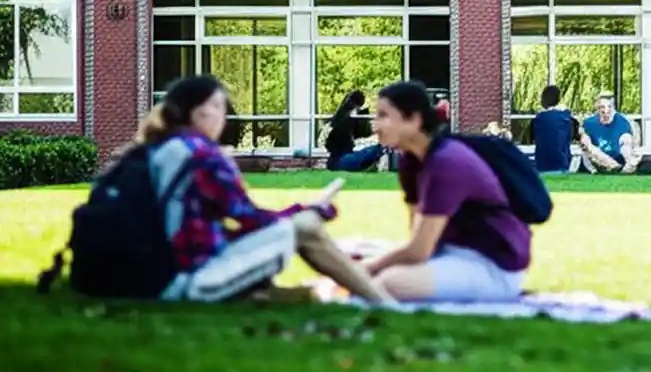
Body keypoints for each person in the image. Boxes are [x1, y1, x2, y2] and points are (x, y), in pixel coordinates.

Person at [141, 75, 392, 303]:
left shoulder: (158, 150)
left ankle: (291, 295)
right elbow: (250, 218)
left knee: (292, 252)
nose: (224, 116)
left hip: (161, 276)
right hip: (190, 280)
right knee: (305, 227)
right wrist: (312, 210)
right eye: (219, 106)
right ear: (200, 112)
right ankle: (383, 303)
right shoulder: (202, 156)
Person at [364, 81, 531, 302]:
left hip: (491, 266)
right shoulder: (410, 161)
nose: (375, 126)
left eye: (383, 116)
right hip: (447, 253)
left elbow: (419, 251)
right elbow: (418, 239)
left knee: (388, 283)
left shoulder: (448, 162)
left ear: (414, 120)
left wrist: (366, 269)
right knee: (363, 258)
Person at [578, 92, 643, 174]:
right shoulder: (588, 124)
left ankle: (624, 168)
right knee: (585, 142)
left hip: (621, 161)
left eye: (609, 107)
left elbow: (633, 146)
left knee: (627, 138)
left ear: (613, 108)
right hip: (597, 163)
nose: (606, 111)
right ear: (597, 109)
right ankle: (613, 167)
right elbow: (585, 148)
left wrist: (633, 159)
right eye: (602, 107)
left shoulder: (624, 122)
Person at [324, 91, 383, 172]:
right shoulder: (345, 118)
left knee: (368, 151)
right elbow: (364, 132)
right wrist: (363, 112)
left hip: (338, 159)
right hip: (341, 159)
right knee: (371, 151)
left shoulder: (341, 117)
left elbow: (363, 132)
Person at [532, 85, 576, 174]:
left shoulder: (537, 119)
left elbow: (532, 138)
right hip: (562, 163)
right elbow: (571, 137)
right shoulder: (567, 119)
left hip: (542, 164)